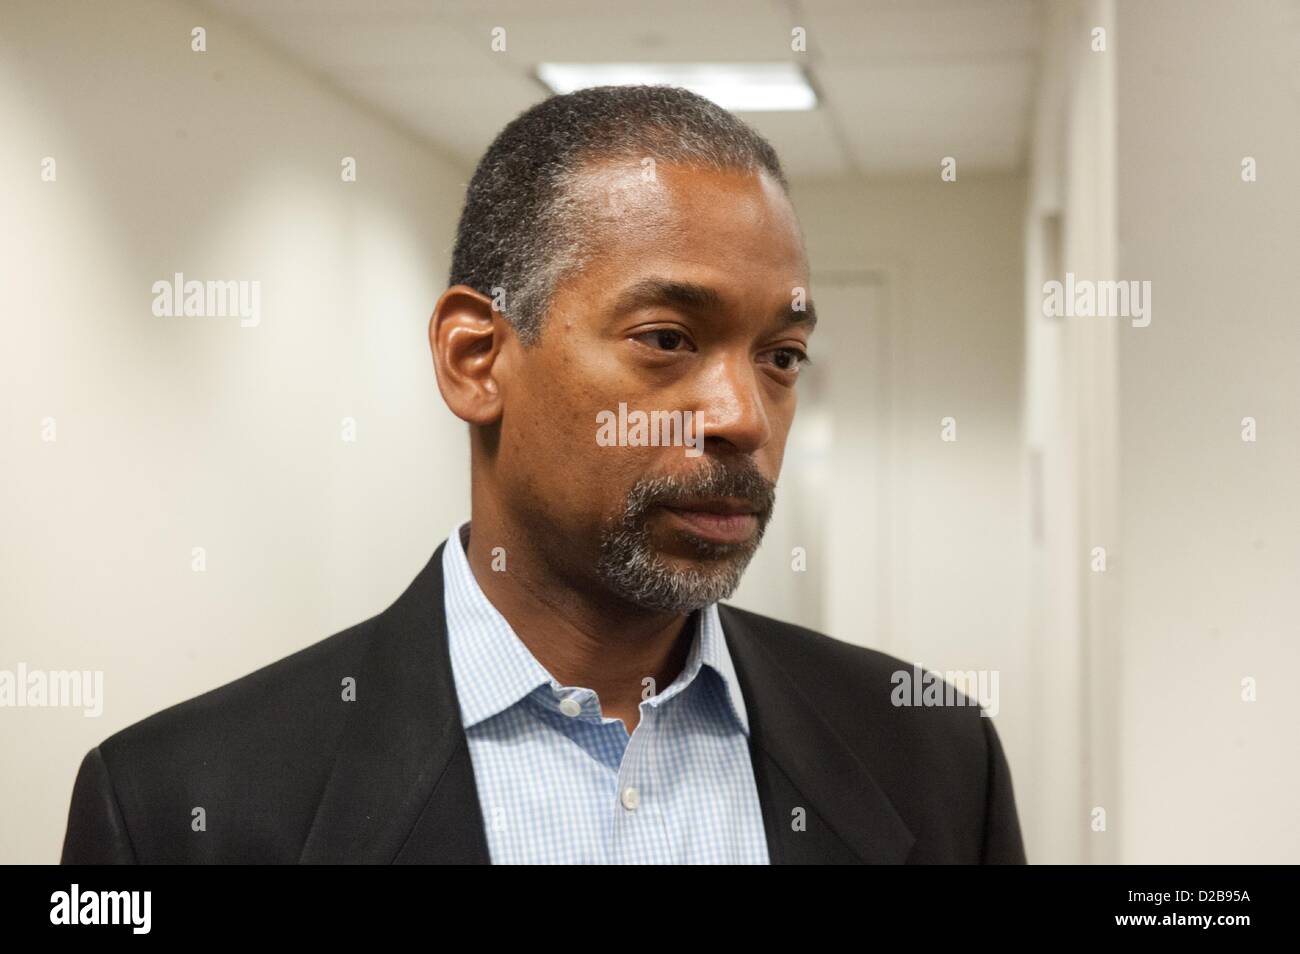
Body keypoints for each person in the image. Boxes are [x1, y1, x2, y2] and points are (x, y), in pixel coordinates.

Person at [61, 85, 1026, 864]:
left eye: (780, 355)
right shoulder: (177, 807)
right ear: (477, 359)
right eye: (667, 339)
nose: (741, 418)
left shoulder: (935, 760)